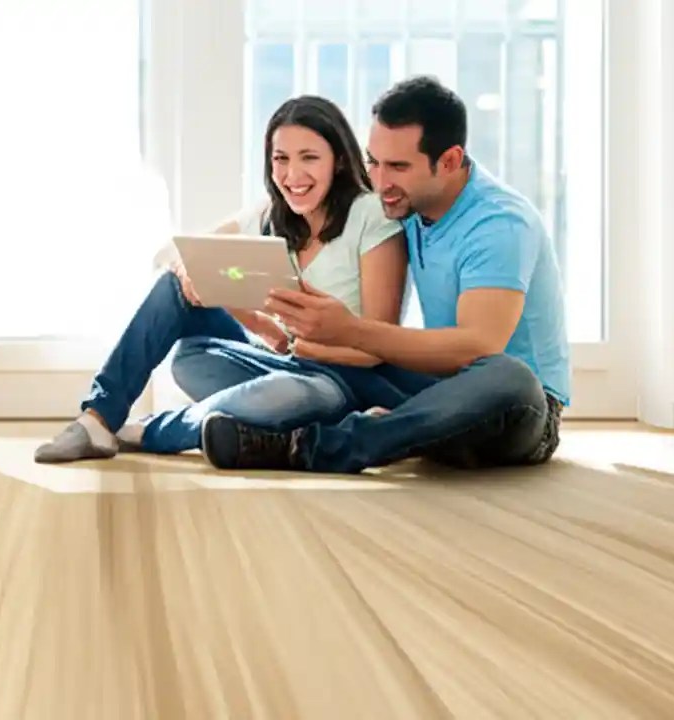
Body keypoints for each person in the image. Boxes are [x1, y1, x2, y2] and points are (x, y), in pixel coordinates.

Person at [201, 75, 570, 473]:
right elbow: (283, 201)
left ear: (448, 161)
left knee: (507, 375)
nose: (379, 181)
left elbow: (477, 347)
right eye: (373, 161)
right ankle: (396, 429)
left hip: (514, 408)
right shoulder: (403, 202)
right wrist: (203, 258)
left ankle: (310, 446)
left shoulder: (500, 225)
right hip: (434, 388)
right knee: (347, 362)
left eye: (397, 166)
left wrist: (350, 330)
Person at [34, 95, 407, 463]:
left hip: (335, 382)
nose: (292, 175)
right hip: (280, 364)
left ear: (339, 160)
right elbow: (176, 252)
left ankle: (148, 430)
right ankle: (99, 417)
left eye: (309, 157)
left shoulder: (370, 215)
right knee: (186, 346)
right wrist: (253, 319)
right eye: (281, 159)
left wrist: (307, 348)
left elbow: (380, 345)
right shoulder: (271, 214)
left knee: (289, 395)